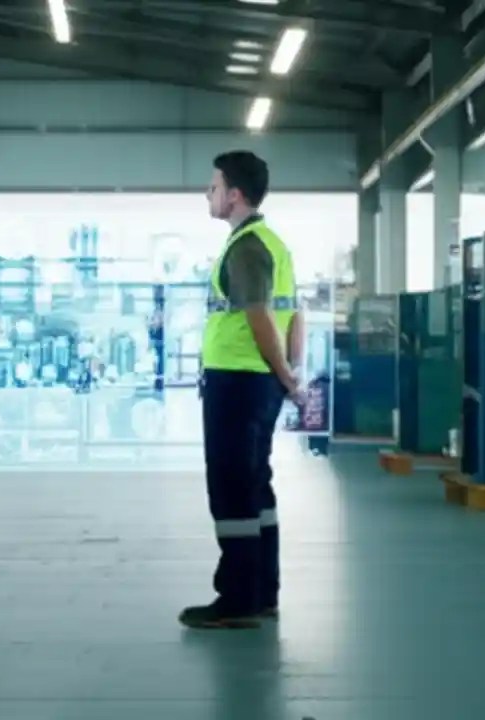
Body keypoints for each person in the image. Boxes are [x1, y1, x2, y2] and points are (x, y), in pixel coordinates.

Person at [179, 150, 305, 630]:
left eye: (213, 187)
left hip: (238, 383)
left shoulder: (247, 247)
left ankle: (236, 599)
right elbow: (298, 314)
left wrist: (286, 375)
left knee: (231, 488)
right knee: (256, 485)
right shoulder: (273, 243)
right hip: (258, 382)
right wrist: (290, 370)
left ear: (234, 195)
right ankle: (261, 592)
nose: (207, 195)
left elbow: (259, 318)